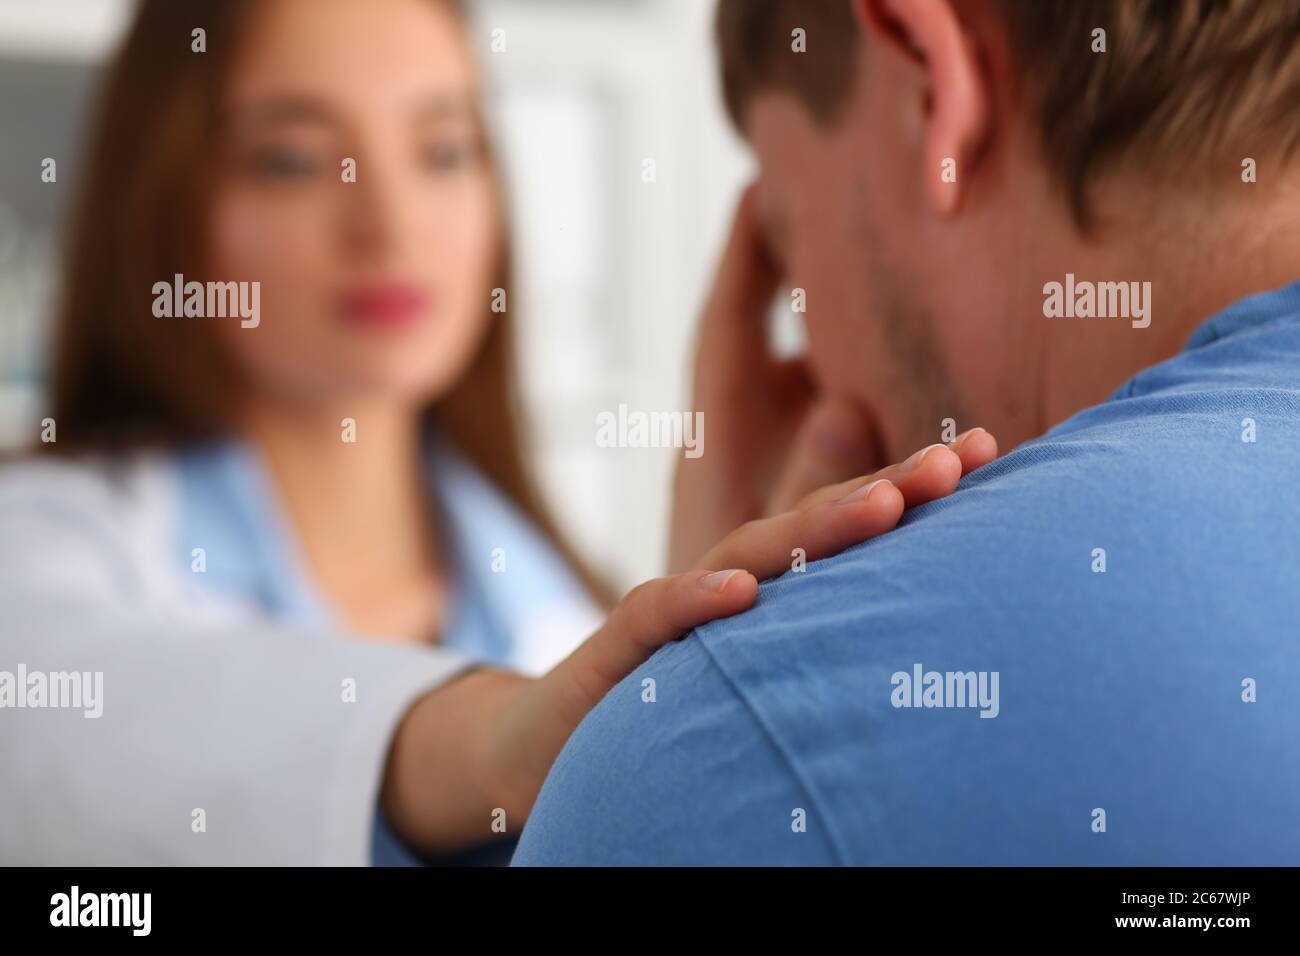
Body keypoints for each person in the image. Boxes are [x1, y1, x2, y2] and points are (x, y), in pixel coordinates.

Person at [0, 0, 997, 865]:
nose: (386, 220)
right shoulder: (46, 546)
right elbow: (68, 732)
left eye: (441, 148)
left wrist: (694, 642)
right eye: (293, 159)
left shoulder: (564, 596)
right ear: (164, 200)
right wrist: (502, 739)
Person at [512, 0, 1300, 865]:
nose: (808, 368)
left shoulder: (725, 762)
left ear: (929, 84)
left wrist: (718, 675)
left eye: (781, 238)